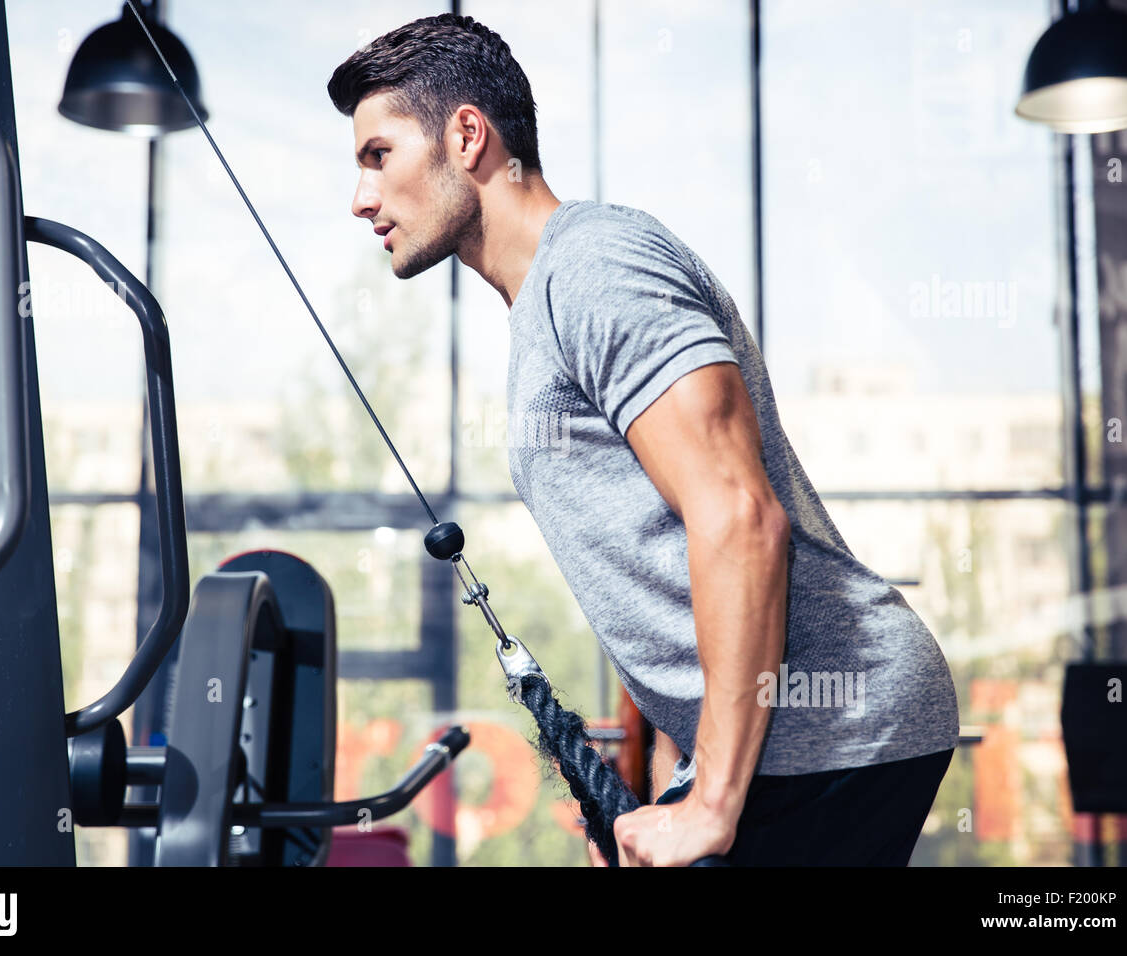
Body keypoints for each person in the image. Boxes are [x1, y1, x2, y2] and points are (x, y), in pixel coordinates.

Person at [327, 13, 959, 867]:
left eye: (378, 155)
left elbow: (738, 517)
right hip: (780, 743)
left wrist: (712, 805)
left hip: (833, 727)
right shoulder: (542, 307)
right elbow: (649, 579)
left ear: (466, 135)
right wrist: (667, 792)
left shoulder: (594, 266)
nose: (361, 198)